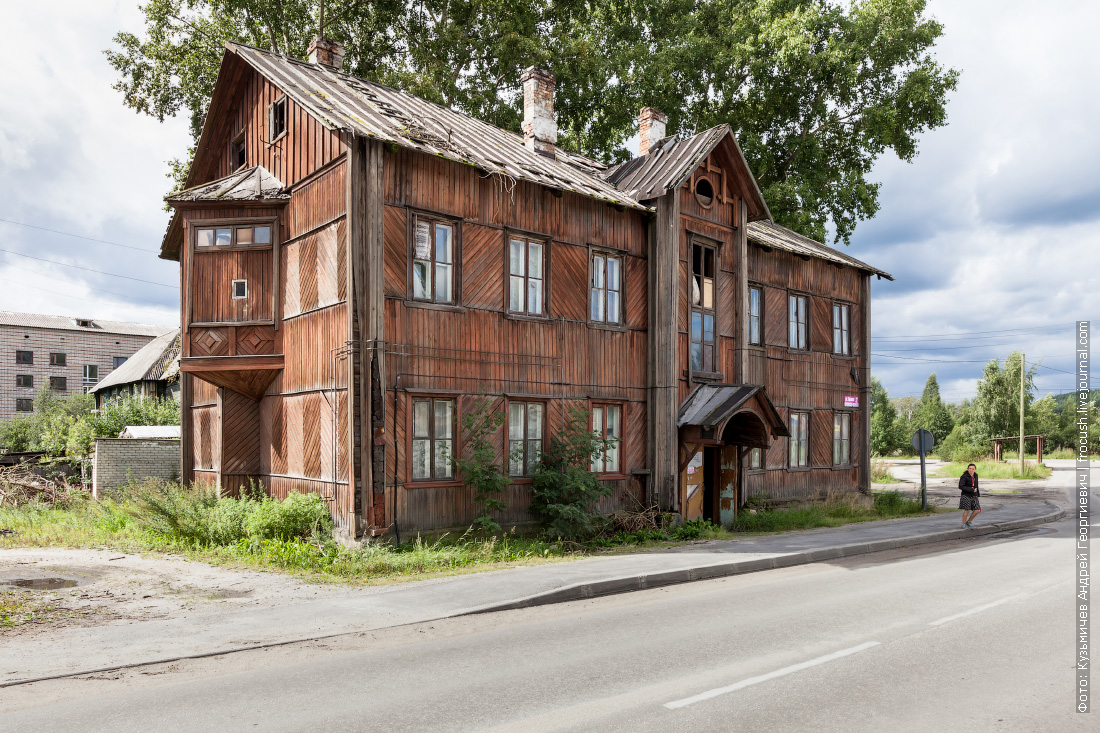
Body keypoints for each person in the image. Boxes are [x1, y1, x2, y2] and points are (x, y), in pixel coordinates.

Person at [959, 463, 981, 528]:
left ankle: (969, 521)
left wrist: (977, 493)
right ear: (968, 469)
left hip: (974, 494)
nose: (971, 470)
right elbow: (961, 486)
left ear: (975, 469)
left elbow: (976, 485)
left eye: (973, 469)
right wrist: (971, 490)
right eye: (970, 468)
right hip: (966, 494)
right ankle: (963, 524)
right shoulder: (964, 476)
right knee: (967, 509)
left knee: (977, 510)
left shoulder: (976, 475)